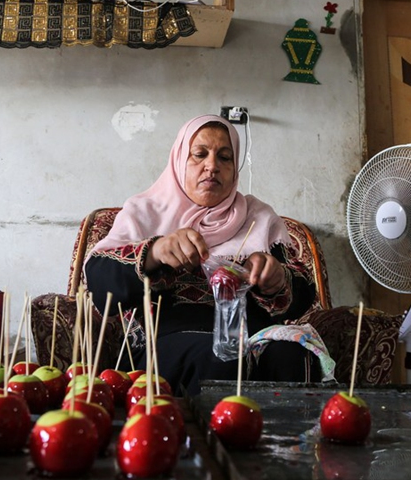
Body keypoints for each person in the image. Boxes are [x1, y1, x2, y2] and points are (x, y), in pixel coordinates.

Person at [85, 114, 332, 395]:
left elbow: (302, 296)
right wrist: (155, 252)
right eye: (199, 155)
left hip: (254, 337)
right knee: (220, 357)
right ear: (179, 160)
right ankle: (209, 439)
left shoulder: (258, 218)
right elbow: (99, 282)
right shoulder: (144, 213)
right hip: (169, 340)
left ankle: (281, 441)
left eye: (225, 157)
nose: (212, 166)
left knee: (292, 355)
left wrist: (277, 278)